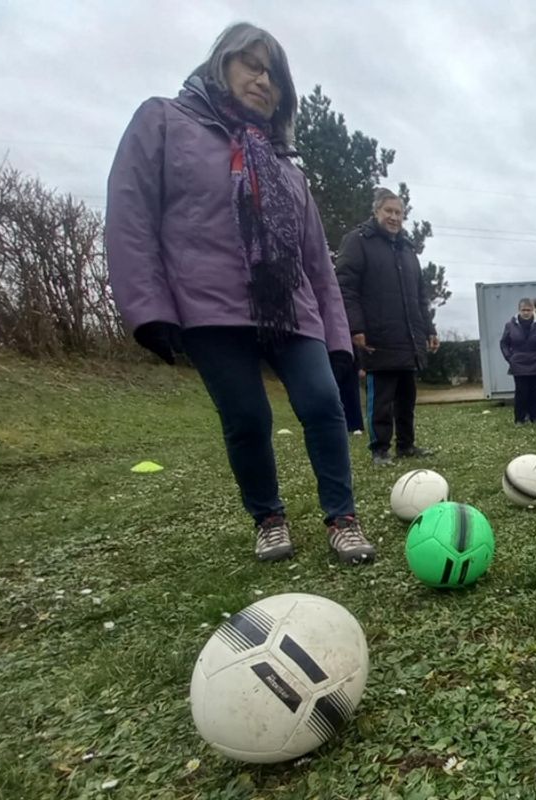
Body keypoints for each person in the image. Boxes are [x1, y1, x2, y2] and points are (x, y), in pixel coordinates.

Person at [105, 23, 375, 564]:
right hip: (209, 304)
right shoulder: (163, 120)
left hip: (289, 306)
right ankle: (269, 518)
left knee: (322, 403)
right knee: (247, 417)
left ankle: (341, 517)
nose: (262, 80)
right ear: (221, 63)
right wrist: (149, 308)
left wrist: (338, 339)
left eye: (273, 74)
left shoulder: (286, 166)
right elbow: (131, 213)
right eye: (251, 64)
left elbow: (317, 260)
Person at [336, 188, 439, 466]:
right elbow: (345, 287)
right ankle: (379, 449)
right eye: (389, 211)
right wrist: (356, 326)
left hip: (408, 337)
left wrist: (428, 329)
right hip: (377, 336)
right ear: (376, 212)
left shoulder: (407, 248)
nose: (394, 217)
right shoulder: (357, 241)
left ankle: (406, 445)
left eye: (399, 213)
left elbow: (420, 295)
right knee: (381, 398)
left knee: (406, 397)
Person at [500, 298, 536, 424]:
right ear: (519, 310)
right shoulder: (510, 325)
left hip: (535, 361)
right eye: (523, 310)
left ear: (533, 310)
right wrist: (510, 358)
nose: (526, 312)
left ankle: (534, 417)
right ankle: (519, 419)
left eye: (529, 310)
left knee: (534, 391)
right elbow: (504, 343)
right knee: (521, 391)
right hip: (518, 362)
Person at [336, 348, 365, 435]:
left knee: (353, 395)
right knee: (336, 395)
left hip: (350, 359)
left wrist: (360, 366)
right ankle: (340, 424)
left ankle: (356, 426)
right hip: (334, 357)